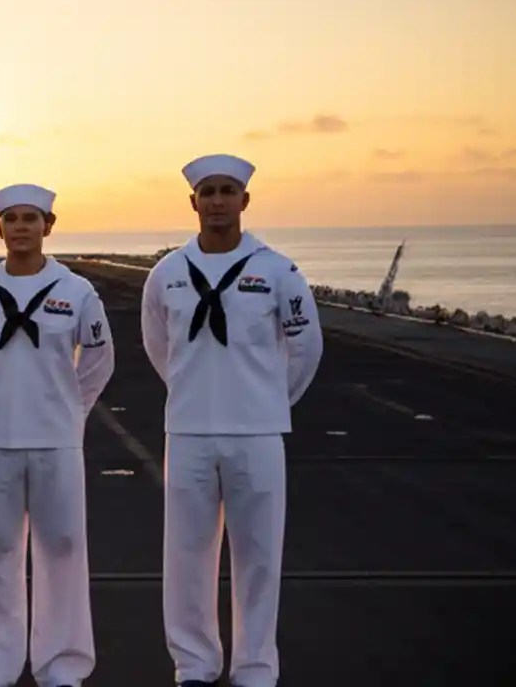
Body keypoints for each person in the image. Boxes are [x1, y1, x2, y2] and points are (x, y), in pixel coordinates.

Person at [139, 154, 324, 687]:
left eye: (227, 191)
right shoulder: (167, 274)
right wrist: (192, 393)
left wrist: (268, 401)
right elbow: (159, 345)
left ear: (245, 200)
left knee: (260, 556)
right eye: (208, 192)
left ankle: (255, 669)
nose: (217, 201)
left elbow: (306, 346)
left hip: (259, 434)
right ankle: (194, 665)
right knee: (187, 554)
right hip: (191, 432)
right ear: (192, 201)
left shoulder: (277, 271)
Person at [0, 183, 115, 687]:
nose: (20, 227)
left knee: (63, 549)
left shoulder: (78, 292)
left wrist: (66, 410)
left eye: (30, 218)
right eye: (11, 219)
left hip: (57, 440)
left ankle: (62, 667)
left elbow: (97, 362)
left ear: (49, 225)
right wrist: (4, 402)